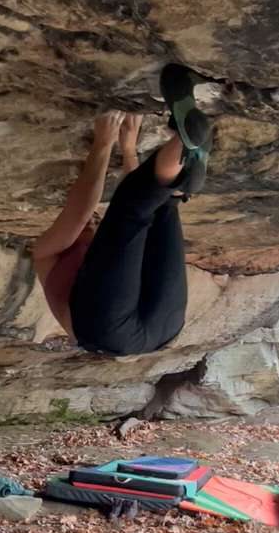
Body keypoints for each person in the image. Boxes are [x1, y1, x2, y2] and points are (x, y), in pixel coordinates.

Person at [32, 65, 212, 356]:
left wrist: (116, 147)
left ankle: (187, 145)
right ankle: (186, 149)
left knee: (158, 206)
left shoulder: (49, 254)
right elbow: (94, 211)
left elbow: (89, 211)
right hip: (113, 332)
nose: (93, 221)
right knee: (140, 210)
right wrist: (115, 146)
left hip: (161, 329)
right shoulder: (64, 255)